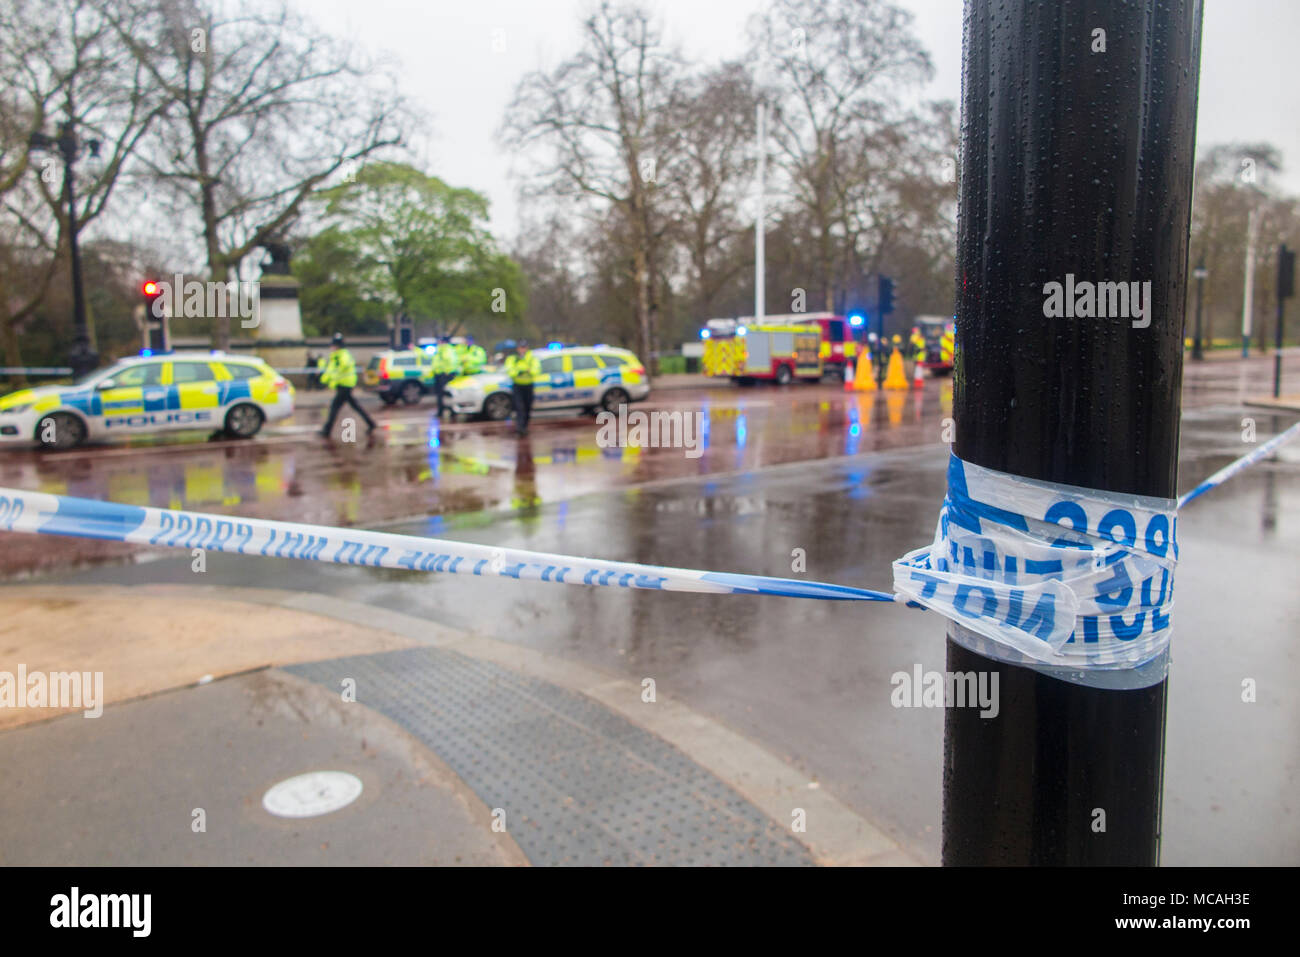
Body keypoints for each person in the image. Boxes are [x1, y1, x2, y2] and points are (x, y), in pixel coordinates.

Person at [319, 333, 375, 437]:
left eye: (333, 345)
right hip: (342, 385)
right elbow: (331, 370)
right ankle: (371, 423)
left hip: (345, 385)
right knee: (355, 406)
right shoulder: (336, 356)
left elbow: (340, 368)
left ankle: (327, 430)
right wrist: (324, 380)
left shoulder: (342, 355)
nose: (331, 347)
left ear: (337, 346)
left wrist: (329, 379)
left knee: (334, 407)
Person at [504, 340, 542, 436]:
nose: (522, 349)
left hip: (528, 386)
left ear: (527, 348)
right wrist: (522, 371)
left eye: (524, 347)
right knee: (519, 407)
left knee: (528, 407)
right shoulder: (513, 358)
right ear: (517, 348)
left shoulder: (532, 358)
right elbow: (510, 370)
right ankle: (520, 427)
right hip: (518, 386)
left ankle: (524, 426)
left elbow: (536, 370)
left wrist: (522, 370)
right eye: (521, 347)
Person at [430, 338, 460, 416]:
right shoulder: (442, 349)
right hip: (440, 373)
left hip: (444, 374)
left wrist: (447, 372)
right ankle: (444, 410)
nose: (438, 343)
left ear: (443, 342)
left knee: (445, 393)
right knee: (441, 394)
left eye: (439, 341)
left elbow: (449, 361)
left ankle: (449, 410)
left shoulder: (445, 349)